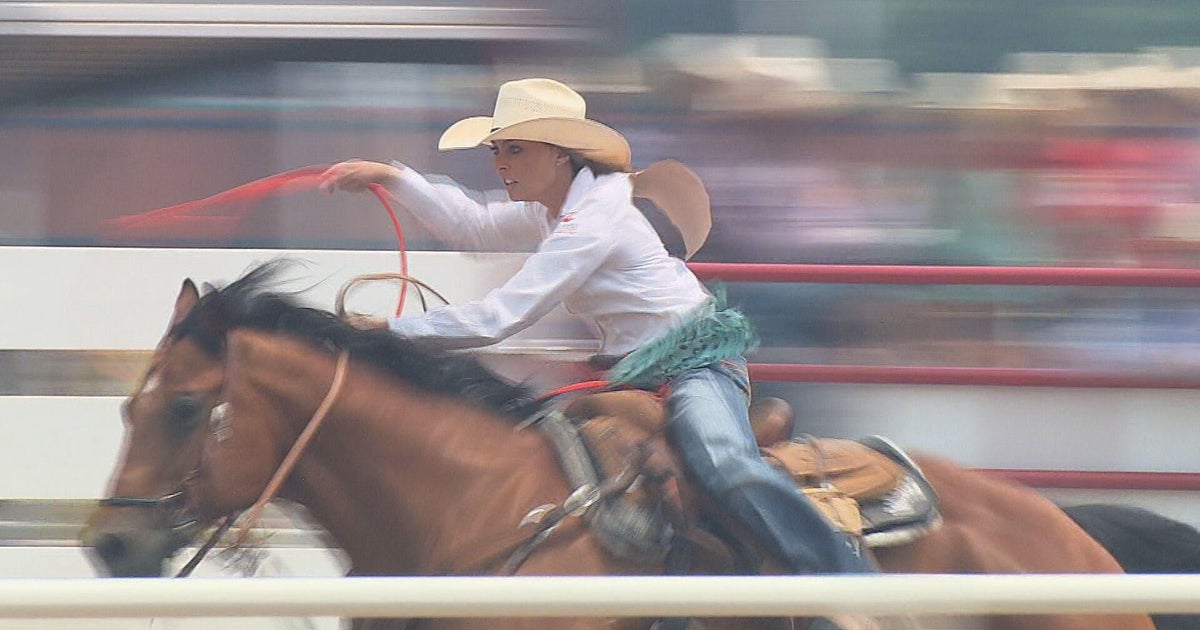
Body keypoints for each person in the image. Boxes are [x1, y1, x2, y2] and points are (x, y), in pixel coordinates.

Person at [318, 77, 876, 596]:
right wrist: (392, 178)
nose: (500, 164)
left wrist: (391, 331)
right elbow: (474, 225)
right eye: (496, 150)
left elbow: (500, 317)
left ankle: (841, 578)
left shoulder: (591, 218)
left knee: (722, 460)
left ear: (558, 154)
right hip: (635, 371)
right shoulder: (557, 208)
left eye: (515, 150)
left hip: (697, 367)